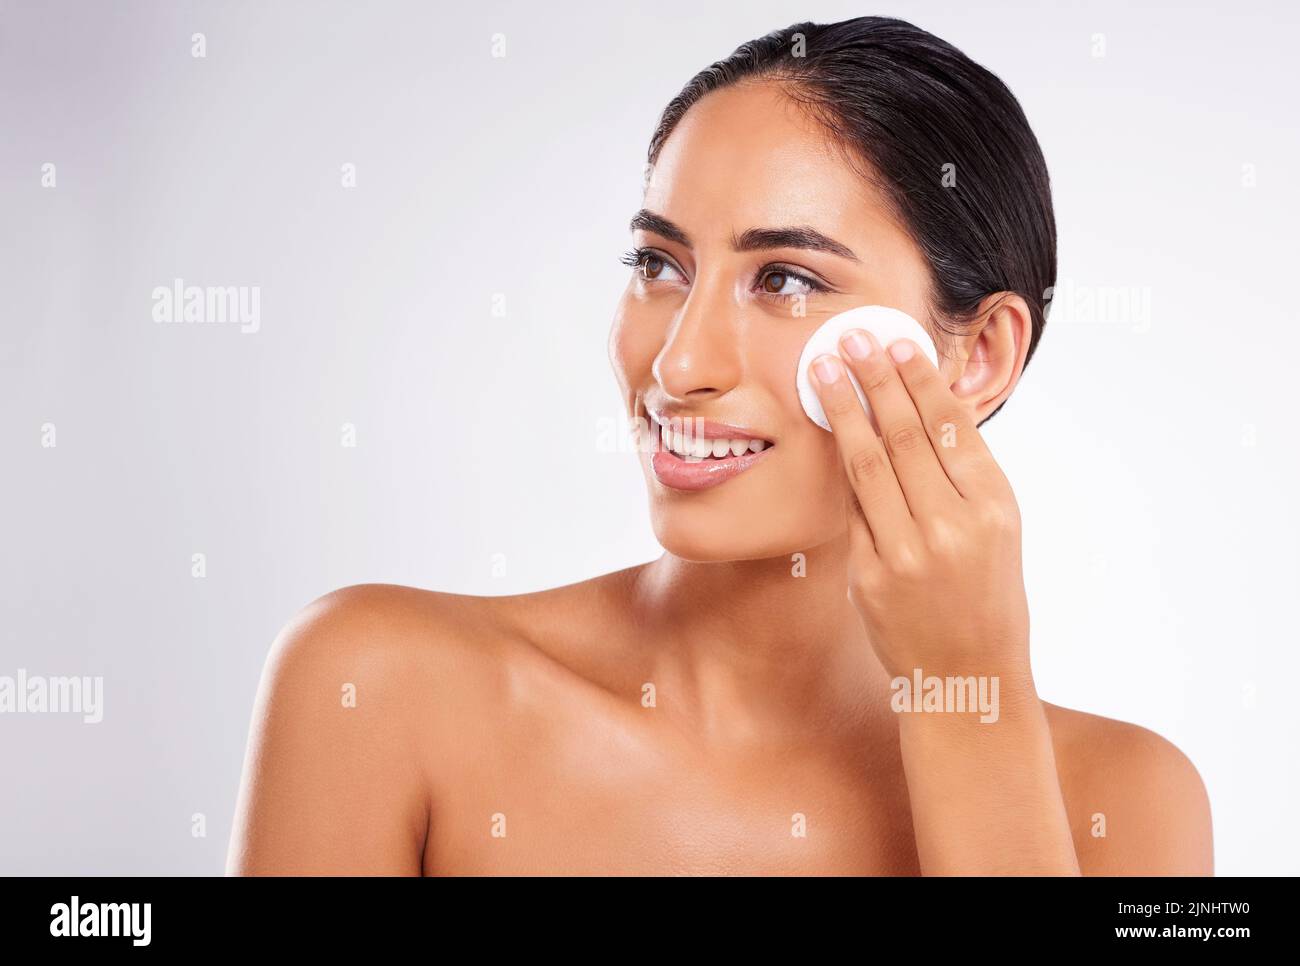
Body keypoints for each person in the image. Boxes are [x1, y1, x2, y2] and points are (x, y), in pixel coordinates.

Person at [227, 16, 1212, 875]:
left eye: (783, 279)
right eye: (658, 263)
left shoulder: (1124, 801)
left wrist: (965, 699)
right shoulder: (379, 687)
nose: (680, 362)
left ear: (979, 356)